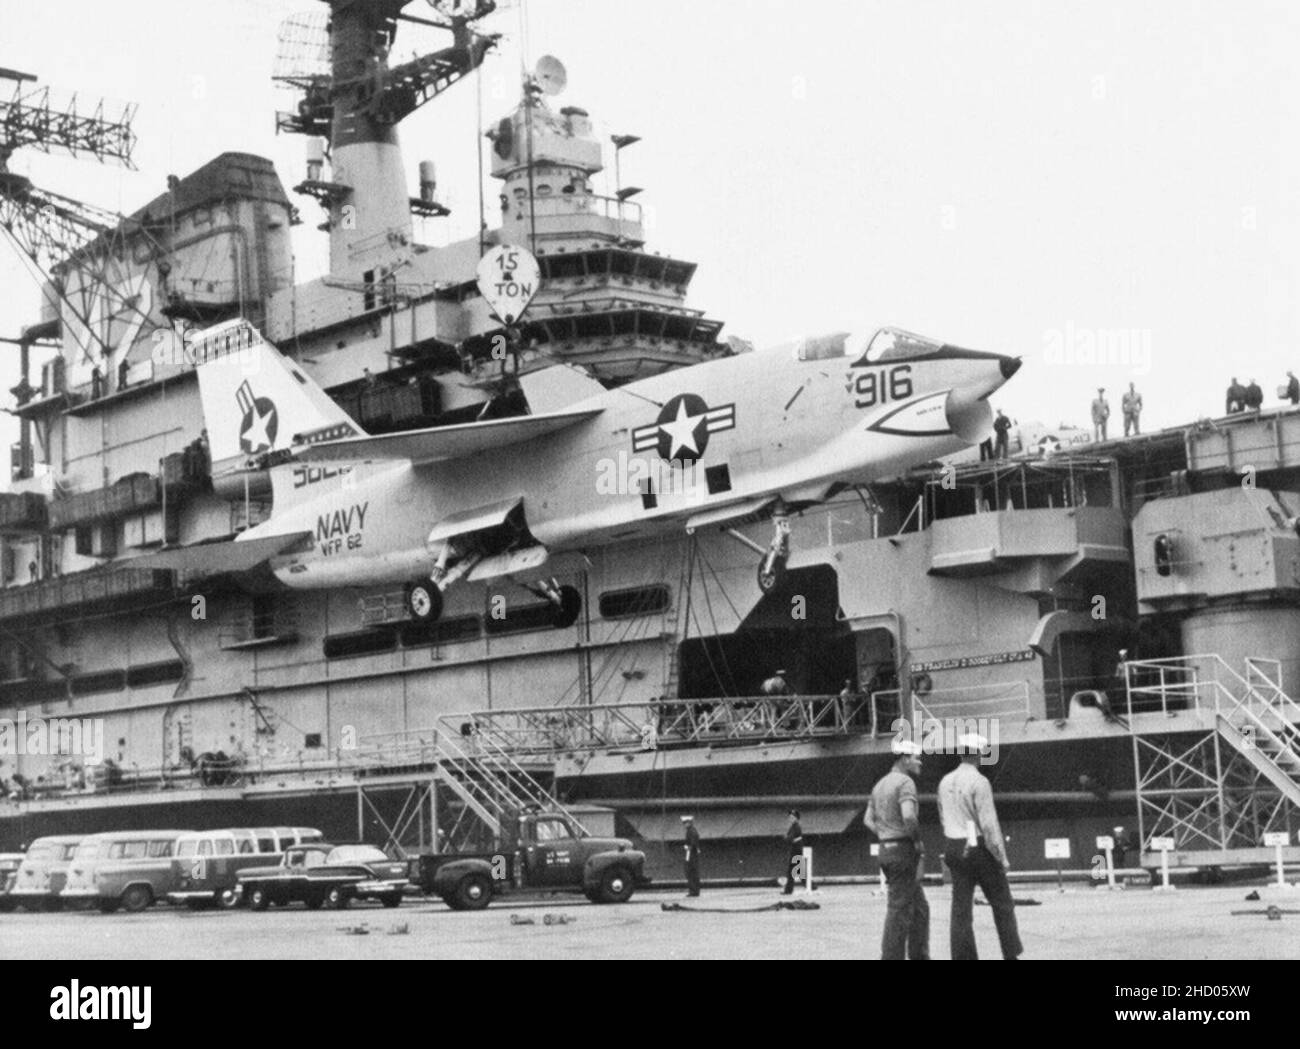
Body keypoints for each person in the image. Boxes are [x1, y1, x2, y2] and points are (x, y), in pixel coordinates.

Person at [938, 734, 1024, 960]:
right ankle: (1011, 954)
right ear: (979, 753)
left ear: (960, 752)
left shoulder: (944, 781)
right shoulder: (980, 782)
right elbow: (988, 825)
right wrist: (1001, 857)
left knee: (961, 909)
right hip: (976, 846)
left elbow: (943, 816)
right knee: (1002, 902)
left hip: (953, 845)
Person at [864, 739, 930, 960]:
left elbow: (868, 820)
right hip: (903, 851)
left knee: (920, 909)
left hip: (887, 850)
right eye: (916, 757)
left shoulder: (879, 785)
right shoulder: (905, 782)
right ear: (905, 759)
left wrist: (885, 834)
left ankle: (920, 956)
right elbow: (909, 816)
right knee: (898, 911)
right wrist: (917, 841)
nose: (919, 762)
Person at [781, 809, 804, 895]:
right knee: (799, 871)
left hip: (796, 849)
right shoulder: (794, 826)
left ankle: (788, 890)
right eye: (790, 817)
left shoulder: (796, 826)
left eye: (792, 817)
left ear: (796, 818)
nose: (790, 819)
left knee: (792, 871)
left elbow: (790, 838)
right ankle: (812, 887)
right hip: (797, 848)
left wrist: (785, 838)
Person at [682, 815, 701, 897]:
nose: (685, 824)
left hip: (691, 853)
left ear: (689, 823)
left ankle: (693, 891)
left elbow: (692, 843)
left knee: (691, 872)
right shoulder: (692, 830)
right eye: (684, 823)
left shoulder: (691, 831)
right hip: (691, 853)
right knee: (693, 872)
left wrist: (687, 847)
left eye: (686, 823)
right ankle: (695, 890)